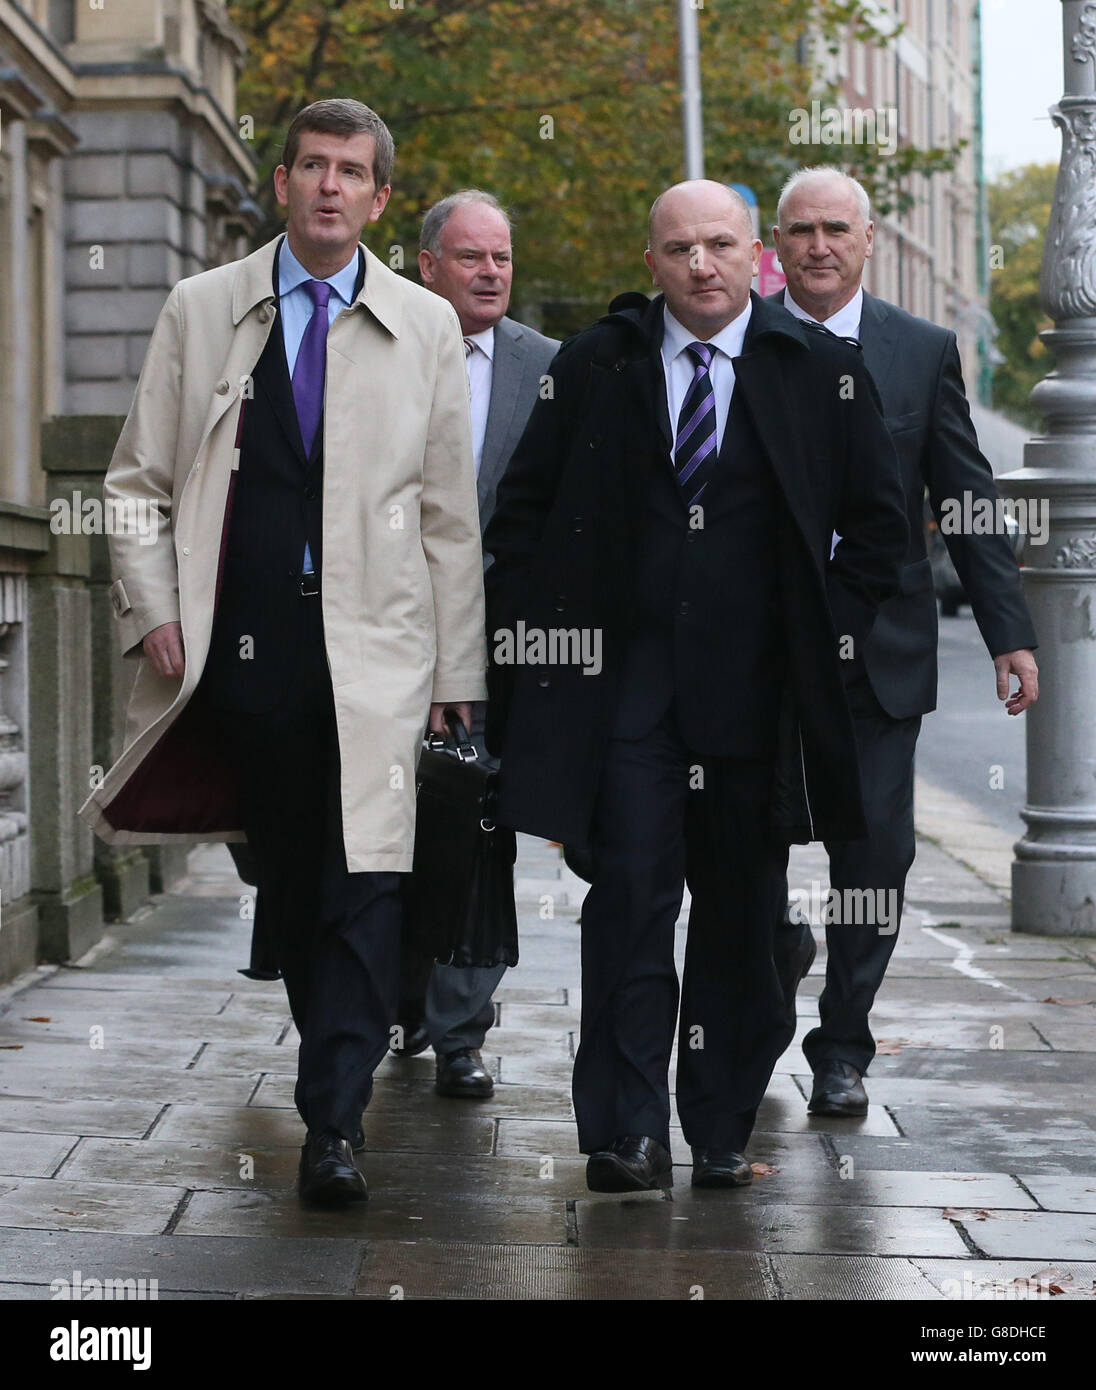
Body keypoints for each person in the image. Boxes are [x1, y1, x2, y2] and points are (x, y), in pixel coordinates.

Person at [78, 99, 487, 1206]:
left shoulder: (424, 326)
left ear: (380, 198)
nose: (329, 188)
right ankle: (332, 1070)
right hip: (247, 648)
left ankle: (333, 1121)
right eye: (312, 166)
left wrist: (457, 674)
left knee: (367, 880)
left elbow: (450, 515)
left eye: (352, 172)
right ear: (281, 182)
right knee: (299, 876)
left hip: (382, 651)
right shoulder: (202, 307)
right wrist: (153, 605)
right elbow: (134, 485)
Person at [482, 179, 908, 1192]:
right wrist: (529, 647)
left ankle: (719, 1126)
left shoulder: (818, 371)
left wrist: (822, 636)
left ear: (753, 255)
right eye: (680, 249)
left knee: (740, 915)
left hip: (755, 704)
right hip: (624, 700)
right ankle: (624, 1131)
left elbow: (880, 528)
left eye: (720, 245)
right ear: (652, 264)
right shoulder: (599, 363)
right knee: (625, 902)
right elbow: (524, 514)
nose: (701, 266)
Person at [770, 165, 1038, 1117]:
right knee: (744, 847)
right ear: (778, 242)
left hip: (881, 653)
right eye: (800, 230)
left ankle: (843, 1046)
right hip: (758, 650)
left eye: (836, 228)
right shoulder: (740, 343)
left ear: (869, 238)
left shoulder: (922, 352)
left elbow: (965, 496)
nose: (819, 246)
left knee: (875, 859)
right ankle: (771, 969)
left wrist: (1010, 631)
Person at [389, 191, 559, 1100]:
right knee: (388, 820)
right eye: (470, 258)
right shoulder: (381, 347)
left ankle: (461, 1028)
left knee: (480, 824)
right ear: (427, 264)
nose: (492, 272)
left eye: (501, 257)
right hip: (382, 630)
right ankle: (401, 989)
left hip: (503, 645)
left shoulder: (549, 368)